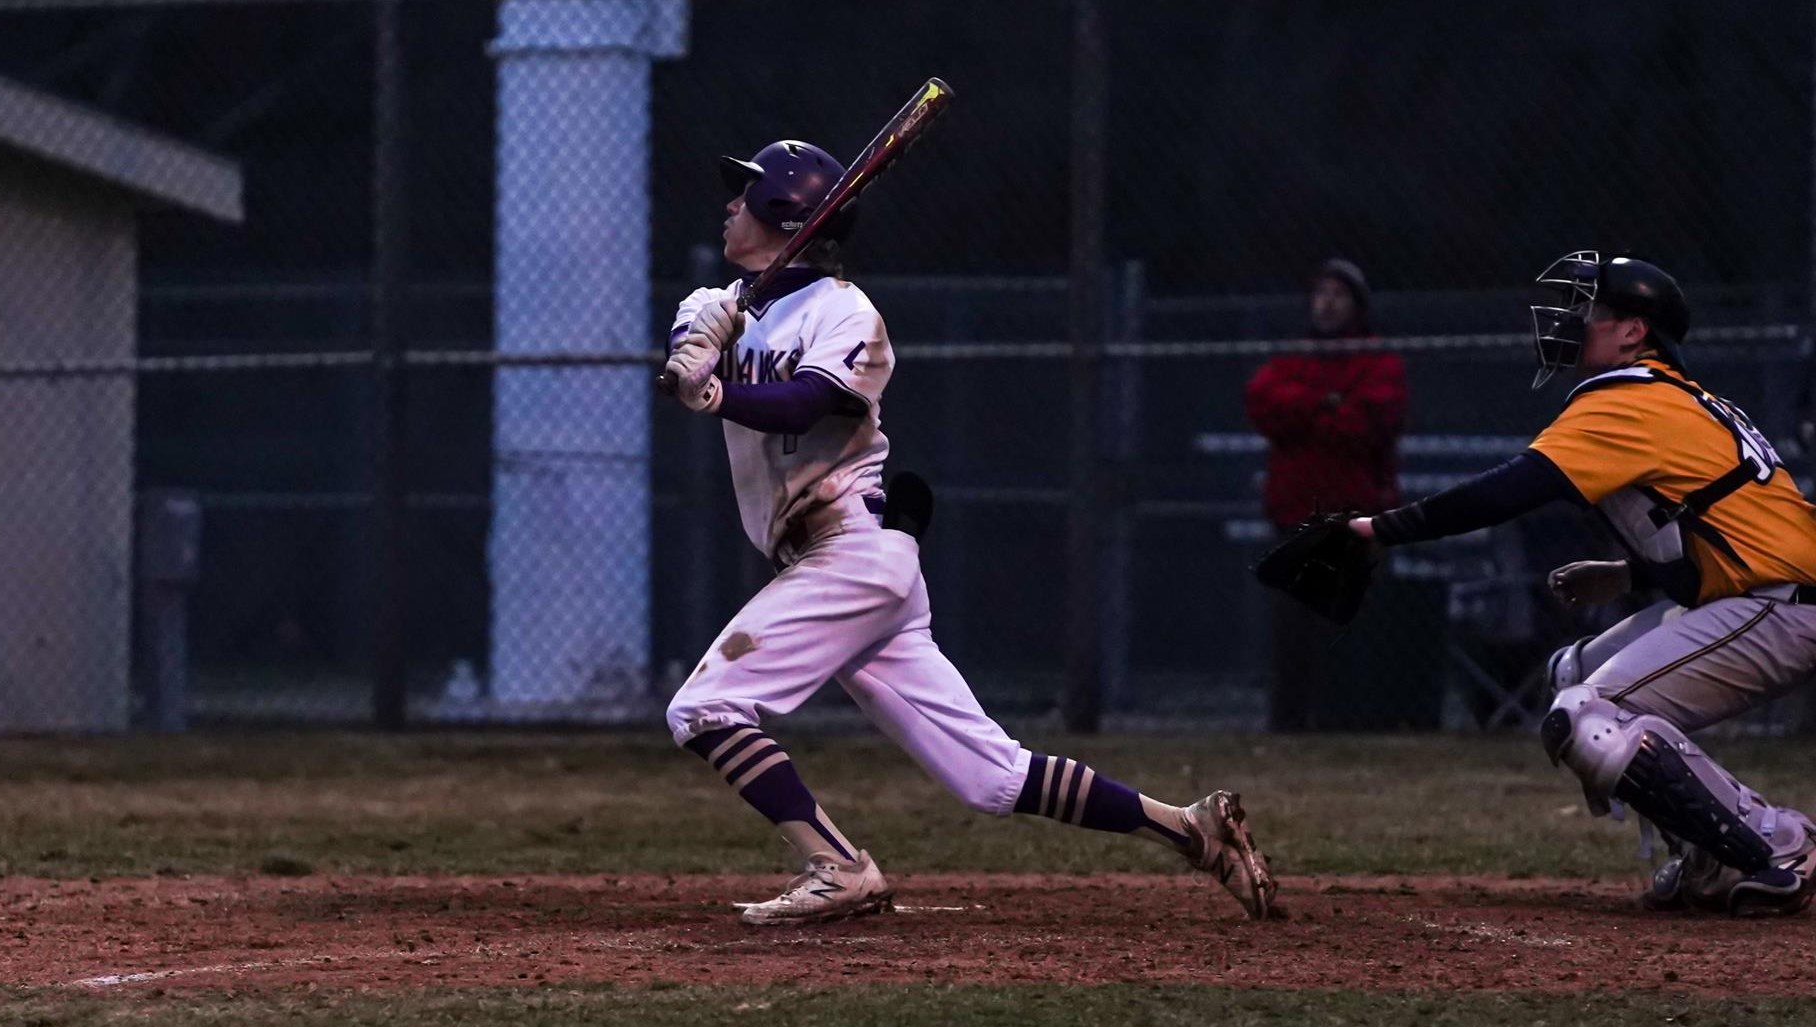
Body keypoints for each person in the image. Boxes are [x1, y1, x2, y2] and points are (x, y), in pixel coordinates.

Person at [658, 139, 1274, 925]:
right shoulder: (710, 303)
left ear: (786, 213)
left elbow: (807, 403)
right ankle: (1190, 827)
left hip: (851, 551)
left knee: (704, 708)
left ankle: (838, 868)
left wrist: (714, 391)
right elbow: (688, 361)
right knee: (991, 778)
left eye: (745, 194)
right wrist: (700, 344)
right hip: (829, 560)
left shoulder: (846, 314)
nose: (729, 205)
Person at [1346, 250, 1816, 916]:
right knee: (1572, 673)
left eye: (1590, 310)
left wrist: (1376, 529)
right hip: (1770, 595)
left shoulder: (1630, 397)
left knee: (1591, 716)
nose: (1571, 320)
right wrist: (1632, 572)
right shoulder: (1676, 396)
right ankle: (1709, 858)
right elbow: (1739, 530)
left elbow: (1513, 489)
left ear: (1634, 331)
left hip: (1782, 605)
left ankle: (1777, 842)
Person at [1244, 259, 1407, 730]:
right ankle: (1289, 722)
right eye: (1321, 294)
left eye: (1338, 294)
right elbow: (1263, 401)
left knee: (1347, 628)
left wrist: (1308, 414)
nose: (1327, 304)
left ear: (1357, 305)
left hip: (1355, 519)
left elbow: (1369, 422)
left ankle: (1348, 721)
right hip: (1295, 517)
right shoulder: (1294, 358)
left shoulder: (1377, 361)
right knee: (1290, 629)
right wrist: (1326, 402)